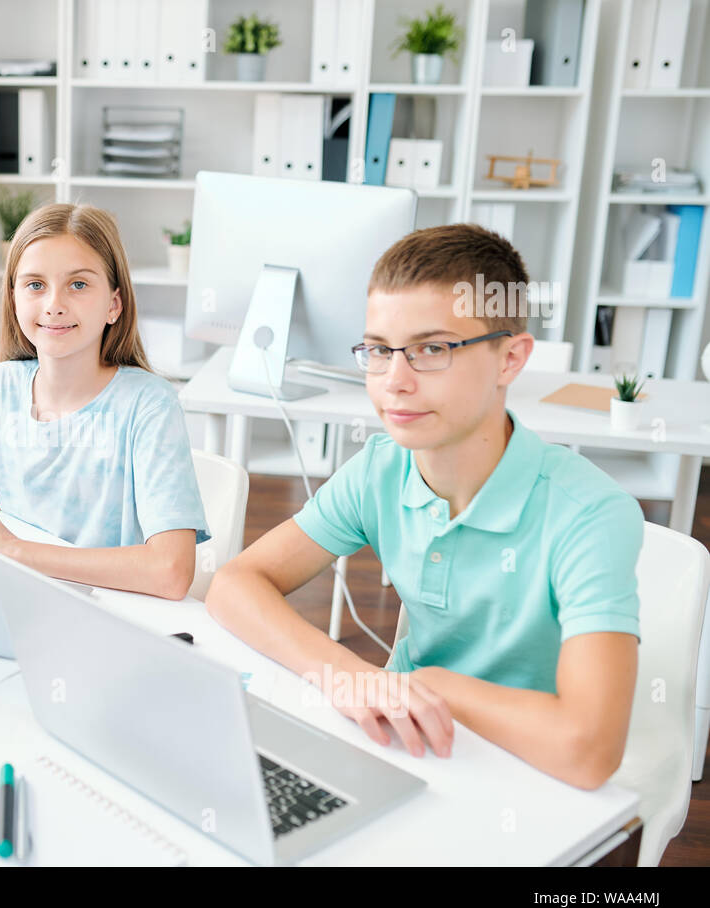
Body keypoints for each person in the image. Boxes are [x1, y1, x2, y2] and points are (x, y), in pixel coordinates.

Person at [207, 224, 642, 789]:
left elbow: (588, 752)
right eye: (379, 351)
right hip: (399, 738)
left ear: (509, 359)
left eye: (432, 349)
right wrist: (345, 674)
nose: (395, 382)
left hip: (525, 770)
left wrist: (435, 685)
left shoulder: (590, 514)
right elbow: (235, 584)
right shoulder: (380, 468)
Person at [0, 202, 209, 600]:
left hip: (111, 610)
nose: (54, 304)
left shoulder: (149, 405)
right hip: (16, 596)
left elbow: (170, 572)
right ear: (14, 300)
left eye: (78, 284)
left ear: (114, 305)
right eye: (35, 285)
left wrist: (15, 551)